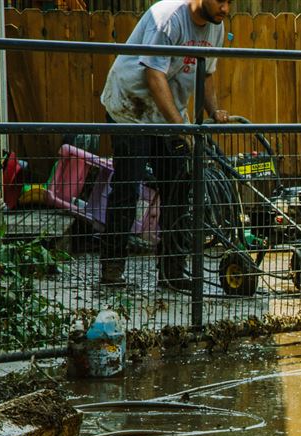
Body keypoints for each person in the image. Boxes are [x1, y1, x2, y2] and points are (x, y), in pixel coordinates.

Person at [98, 0, 232, 289]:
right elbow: (153, 74)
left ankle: (172, 272)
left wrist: (213, 111)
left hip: (168, 113)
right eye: (221, 1)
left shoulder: (216, 27)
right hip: (130, 107)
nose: (226, 8)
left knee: (177, 189)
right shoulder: (167, 18)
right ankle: (111, 271)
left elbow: (206, 72)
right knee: (127, 187)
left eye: (230, 2)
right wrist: (180, 127)